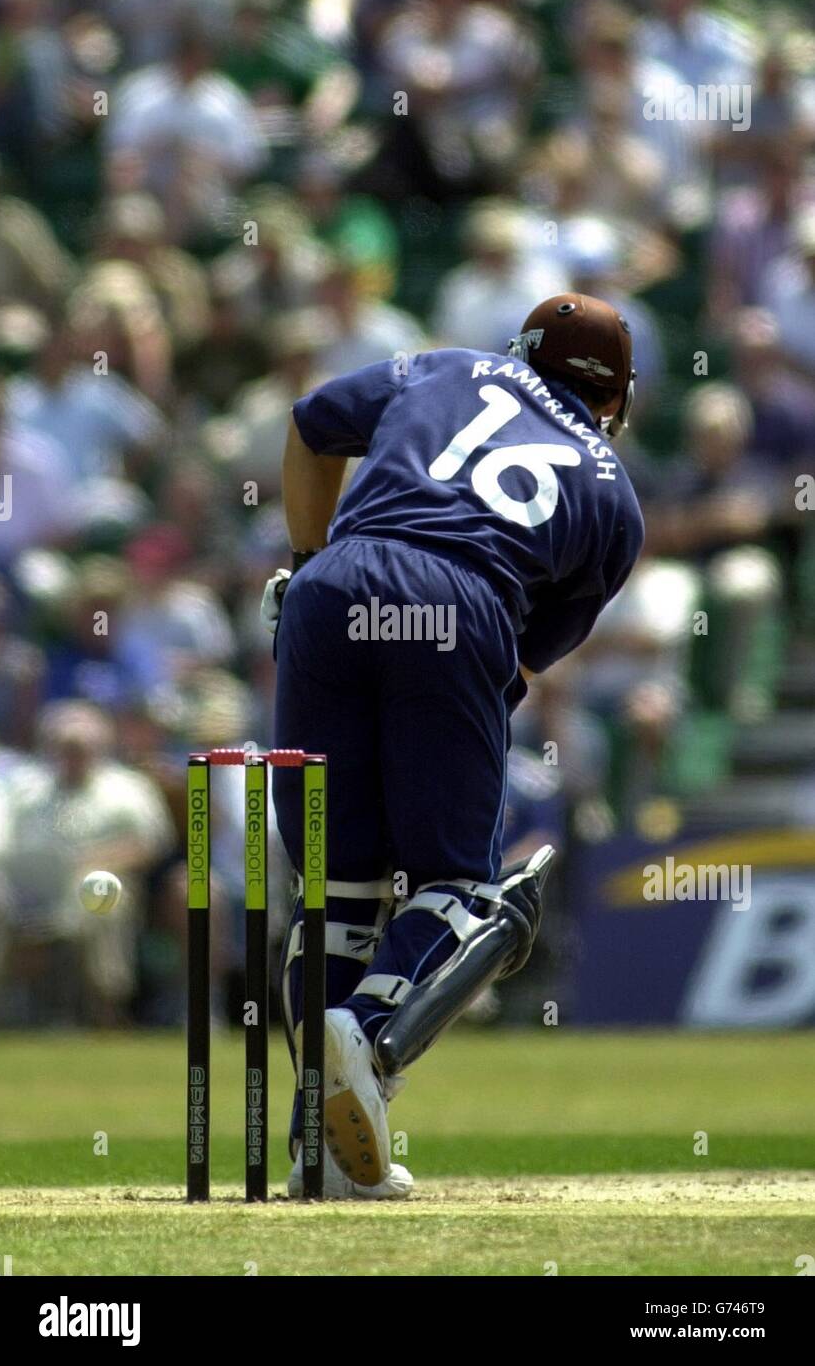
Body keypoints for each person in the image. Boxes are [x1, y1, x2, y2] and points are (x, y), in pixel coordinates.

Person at [262, 293, 644, 1198]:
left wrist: (312, 559)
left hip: (333, 587)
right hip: (461, 602)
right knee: (469, 891)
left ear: (522, 349)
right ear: (617, 403)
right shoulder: (615, 501)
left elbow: (312, 428)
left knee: (337, 885)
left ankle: (324, 1147)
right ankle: (367, 1035)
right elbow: (523, 656)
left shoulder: (444, 366)